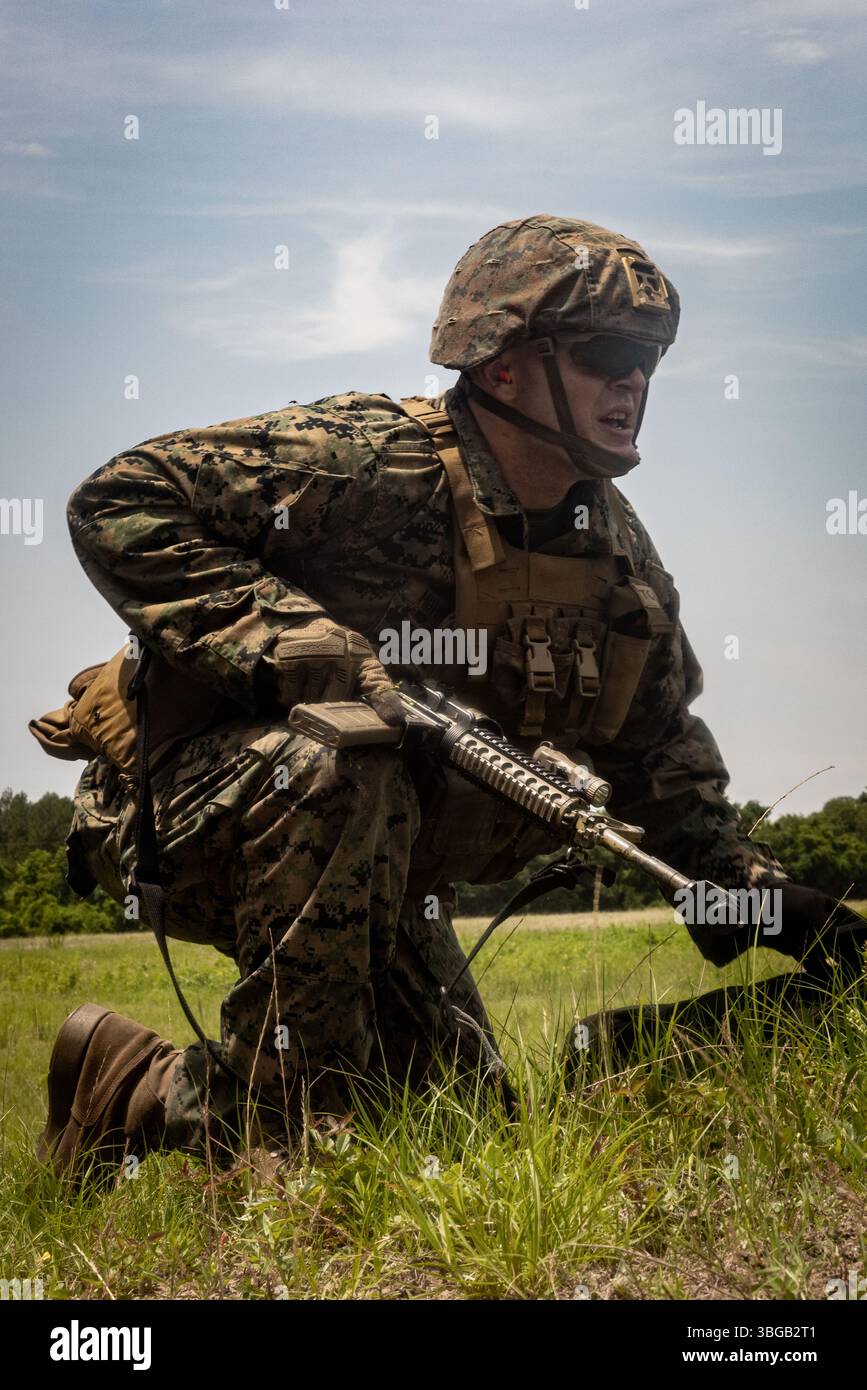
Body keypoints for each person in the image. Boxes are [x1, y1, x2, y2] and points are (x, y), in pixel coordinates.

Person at [32, 214, 864, 1187]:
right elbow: (118, 499)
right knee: (345, 754)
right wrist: (295, 644)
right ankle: (288, 1154)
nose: (635, 381)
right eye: (607, 354)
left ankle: (125, 1083)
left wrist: (771, 901)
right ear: (504, 365)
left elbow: (663, 775)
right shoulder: (366, 461)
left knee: (459, 1131)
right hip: (187, 812)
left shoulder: (611, 556)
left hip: (381, 869)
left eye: (650, 359)